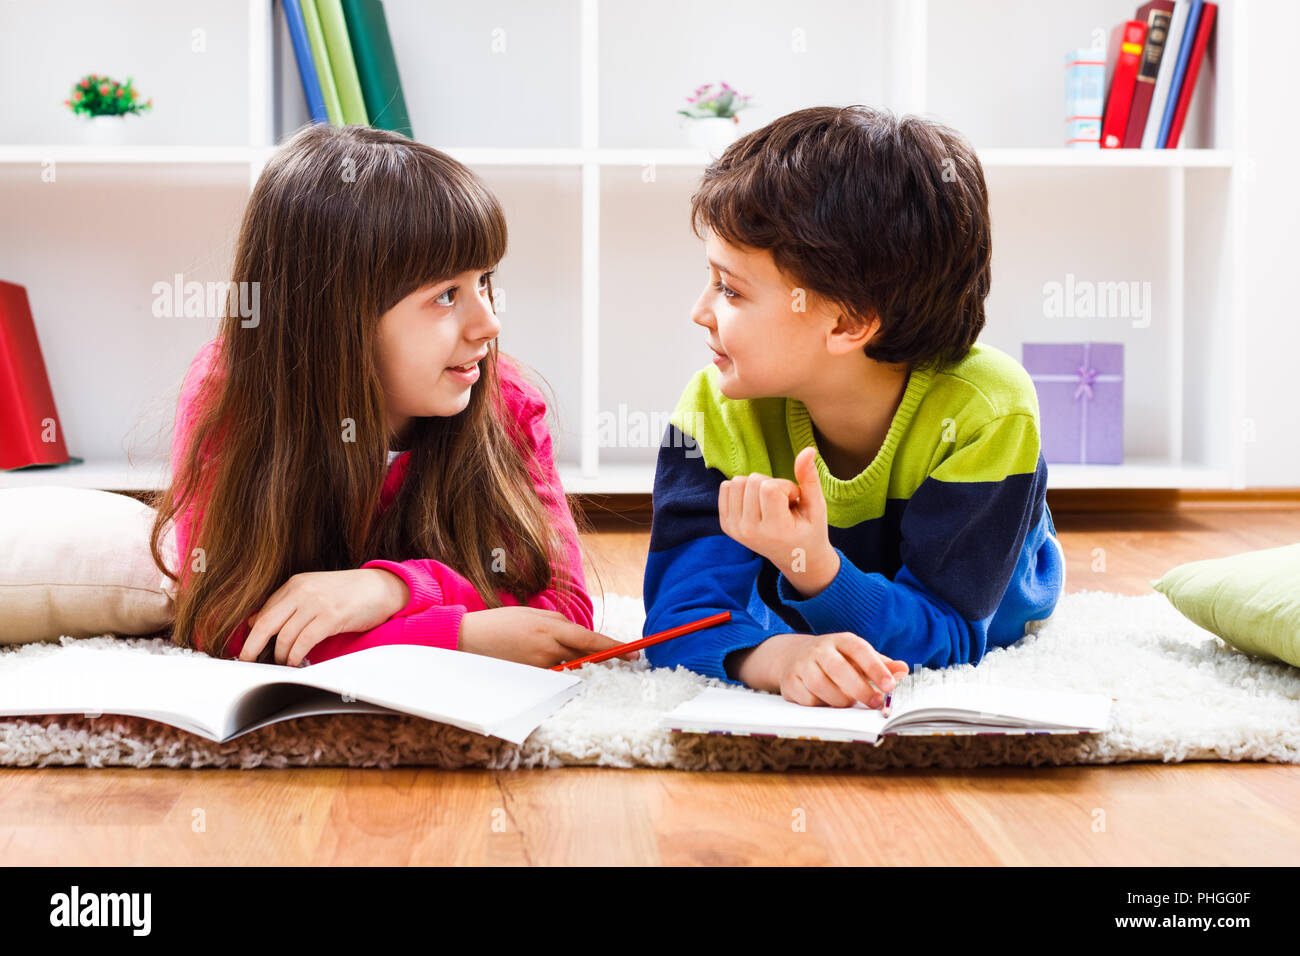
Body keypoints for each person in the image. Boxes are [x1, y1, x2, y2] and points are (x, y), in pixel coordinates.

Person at [149, 123, 634, 671]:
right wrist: (459, 637)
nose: (489, 324)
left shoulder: (507, 401)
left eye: (483, 282)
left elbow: (560, 612)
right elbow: (225, 620)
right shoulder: (231, 394)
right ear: (335, 317)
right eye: (447, 295)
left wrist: (392, 590)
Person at [642, 105, 1065, 709]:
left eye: (731, 288)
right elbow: (677, 619)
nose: (700, 310)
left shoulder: (987, 411)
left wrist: (814, 565)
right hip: (827, 590)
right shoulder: (717, 407)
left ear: (848, 321)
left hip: (989, 609)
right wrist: (776, 658)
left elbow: (950, 635)